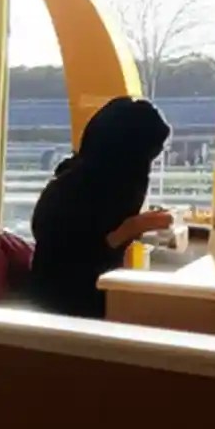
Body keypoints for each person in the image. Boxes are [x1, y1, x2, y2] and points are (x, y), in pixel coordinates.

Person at [29, 97, 174, 319]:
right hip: (65, 306)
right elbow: (82, 253)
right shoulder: (85, 187)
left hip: (55, 296)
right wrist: (134, 226)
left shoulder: (77, 177)